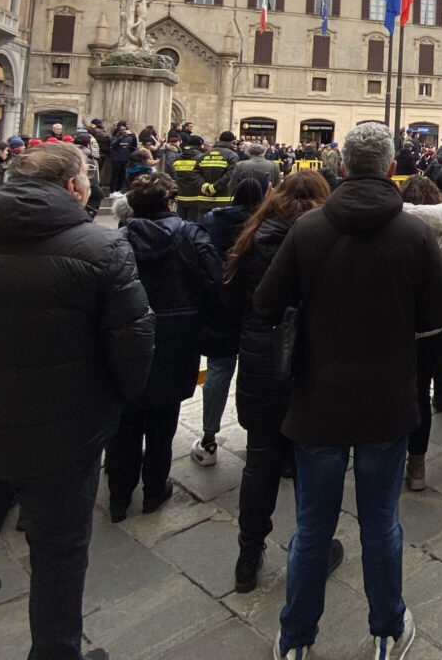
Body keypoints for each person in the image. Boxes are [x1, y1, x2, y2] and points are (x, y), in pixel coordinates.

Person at [0, 142, 155, 660]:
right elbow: (133, 349)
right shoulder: (102, 247)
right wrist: (109, 404)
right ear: (73, 187)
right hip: (64, 434)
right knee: (60, 557)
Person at [254, 122, 442, 660]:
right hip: (386, 398)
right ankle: (387, 631)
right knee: (381, 523)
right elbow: (438, 313)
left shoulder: (309, 229)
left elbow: (267, 303)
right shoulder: (413, 235)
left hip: (319, 397)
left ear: (341, 167)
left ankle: (295, 638)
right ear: (390, 168)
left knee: (313, 528)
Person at [227, 170, 333, 592]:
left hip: (261, 359)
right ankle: (312, 551)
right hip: (312, 361)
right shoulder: (324, 239)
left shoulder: (252, 239)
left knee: (260, 459)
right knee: (313, 461)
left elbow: (233, 301)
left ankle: (247, 556)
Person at [108, 173, 223, 521]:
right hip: (177, 332)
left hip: (129, 334)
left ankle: (118, 496)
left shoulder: (119, 239)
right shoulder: (191, 233)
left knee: (125, 417)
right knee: (163, 416)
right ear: (170, 203)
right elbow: (214, 280)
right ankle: (154, 489)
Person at [190, 177, 266, 467]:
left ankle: (209, 438)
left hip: (221, 302)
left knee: (219, 370)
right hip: (250, 304)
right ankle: (257, 439)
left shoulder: (212, 220)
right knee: (254, 372)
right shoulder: (261, 222)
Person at [399, 174, 442, 488]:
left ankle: (389, 459)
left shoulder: (392, 225)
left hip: (393, 325)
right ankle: (418, 467)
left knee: (390, 390)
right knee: (420, 394)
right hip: (429, 327)